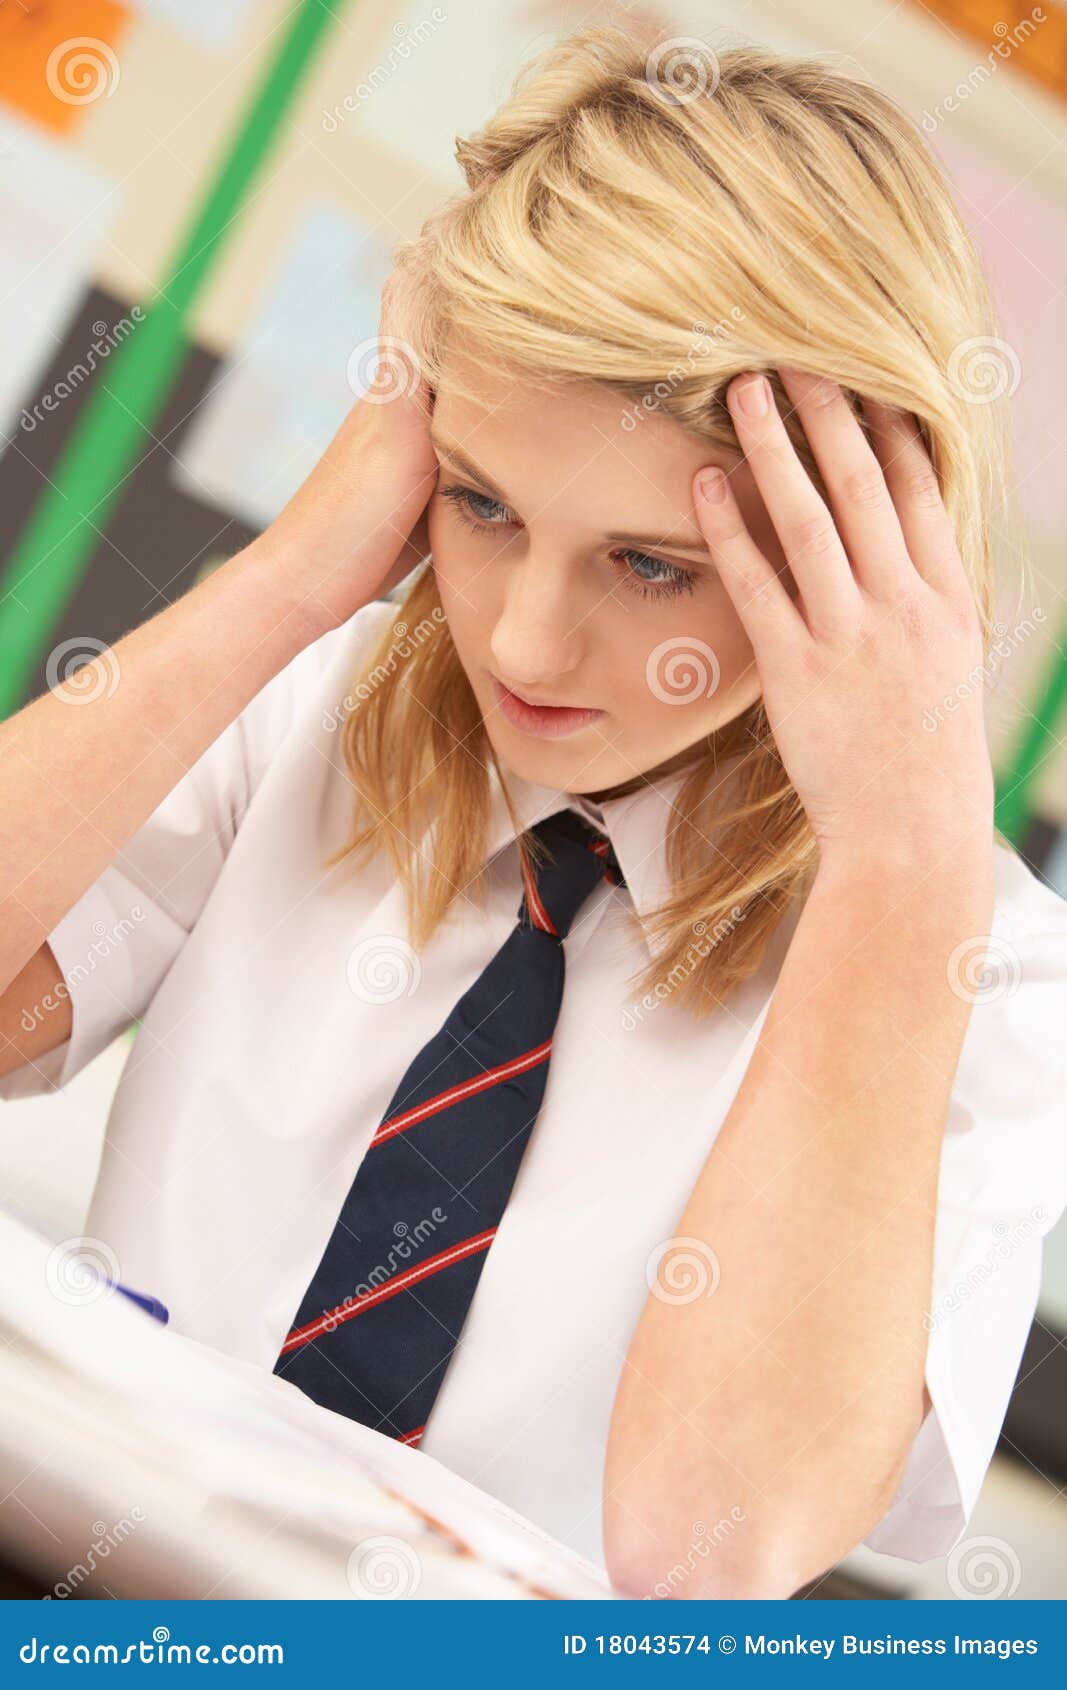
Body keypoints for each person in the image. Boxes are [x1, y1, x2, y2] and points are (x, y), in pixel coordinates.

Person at [1, 21, 1064, 1601]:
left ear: (856, 552)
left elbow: (709, 1551)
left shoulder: (984, 972)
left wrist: (901, 859)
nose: (521, 643)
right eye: (484, 503)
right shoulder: (328, 703)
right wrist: (295, 579)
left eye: (653, 566)